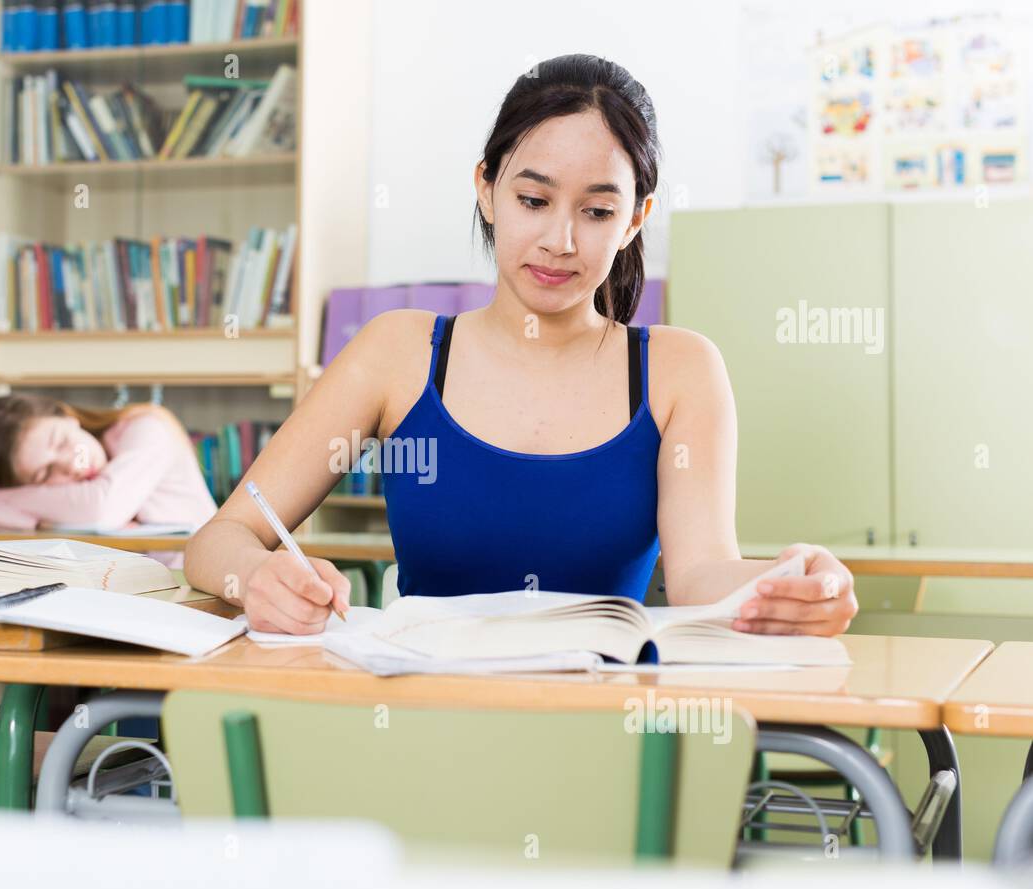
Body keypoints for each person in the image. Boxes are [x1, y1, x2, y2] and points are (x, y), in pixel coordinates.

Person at [184, 53, 858, 637]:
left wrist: (785, 585)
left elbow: (702, 574)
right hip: (424, 727)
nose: (560, 240)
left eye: (597, 212)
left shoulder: (680, 370)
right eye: (533, 199)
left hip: (603, 739)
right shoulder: (398, 351)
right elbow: (218, 539)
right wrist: (256, 574)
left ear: (636, 219)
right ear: (487, 188)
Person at [0, 395, 218, 567]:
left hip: (196, 591)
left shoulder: (146, 427)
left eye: (61, 441)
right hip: (125, 592)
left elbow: (101, 509)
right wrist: (8, 495)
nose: (71, 465)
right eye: (45, 474)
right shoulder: (61, 499)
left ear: (68, 417)